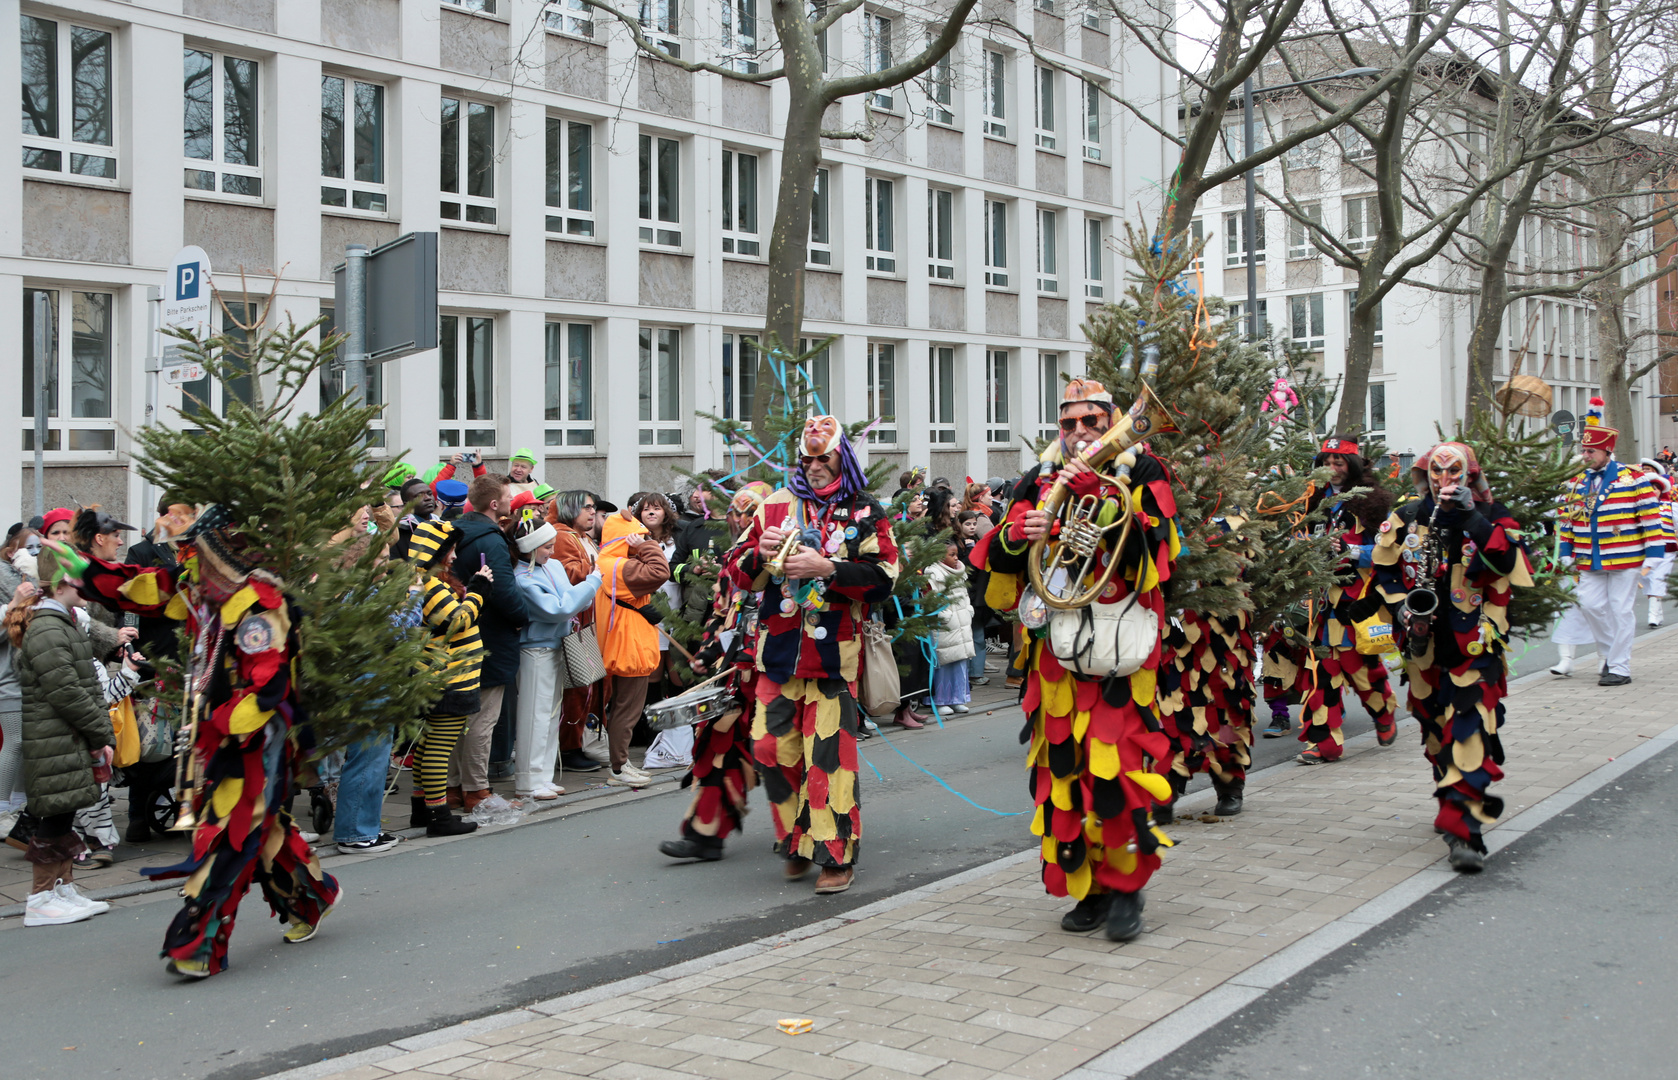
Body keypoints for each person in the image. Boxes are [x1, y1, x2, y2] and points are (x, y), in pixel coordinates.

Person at [74, 509, 342, 975]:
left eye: (190, 551)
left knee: (227, 834)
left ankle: (197, 943)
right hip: (212, 736)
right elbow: (141, 588)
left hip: (250, 743)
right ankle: (312, 896)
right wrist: (76, 563)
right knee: (263, 830)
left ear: (220, 553)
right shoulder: (203, 592)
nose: (182, 561)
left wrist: (223, 726)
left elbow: (269, 685)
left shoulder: (257, 603)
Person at [976, 378, 1179, 941]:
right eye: (1069, 424)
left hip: (1118, 649)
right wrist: (1021, 531)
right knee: (1060, 772)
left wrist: (1110, 501)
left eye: (1093, 421)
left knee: (1115, 771)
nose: (1081, 433)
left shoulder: (1144, 472)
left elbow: (1159, 556)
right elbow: (992, 556)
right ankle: (1086, 886)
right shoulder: (1039, 479)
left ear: (1114, 420)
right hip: (1054, 658)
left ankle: (1125, 888)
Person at [729, 414, 900, 895]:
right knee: (768, 748)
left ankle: (833, 855)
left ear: (841, 456)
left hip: (832, 660)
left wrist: (830, 567)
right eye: (808, 459)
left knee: (828, 758)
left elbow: (885, 577)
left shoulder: (863, 510)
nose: (815, 466)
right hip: (777, 655)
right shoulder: (776, 506)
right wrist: (757, 556)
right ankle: (795, 837)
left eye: (824, 458)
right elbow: (739, 575)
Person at [1373, 442, 1534, 872]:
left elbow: (1508, 562)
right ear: (1425, 475)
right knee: (1433, 730)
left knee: (1469, 731)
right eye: (1437, 473)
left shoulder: (1493, 516)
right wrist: (1402, 607)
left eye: (1455, 473)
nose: (1445, 481)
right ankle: (1450, 795)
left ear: (1470, 476)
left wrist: (1470, 517)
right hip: (1421, 645)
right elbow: (1382, 570)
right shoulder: (1407, 516)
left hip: (1475, 645)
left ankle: (1465, 831)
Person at [657, 486, 767, 864]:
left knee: (785, 753)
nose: (737, 521)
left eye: (747, 514)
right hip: (735, 678)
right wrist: (708, 651)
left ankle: (804, 829)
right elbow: (722, 616)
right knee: (719, 749)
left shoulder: (783, 557)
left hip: (776, 676)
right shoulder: (733, 560)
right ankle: (705, 835)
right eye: (735, 513)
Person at [9, 544, 114, 926]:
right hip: (57, 738)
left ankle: (61, 887)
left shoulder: (62, 622)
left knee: (65, 812)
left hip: (65, 737)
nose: (87, 585)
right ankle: (40, 899)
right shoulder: (48, 628)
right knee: (53, 818)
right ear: (60, 583)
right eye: (79, 578)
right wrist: (102, 735)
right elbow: (67, 691)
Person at [1550, 399, 1665, 685]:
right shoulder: (1574, 483)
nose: (1585, 455)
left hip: (1625, 557)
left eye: (1590, 451)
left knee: (1620, 609)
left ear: (1607, 451)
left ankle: (1619, 668)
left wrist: (1654, 555)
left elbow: (1651, 519)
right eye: (1583, 450)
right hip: (1589, 558)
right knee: (1589, 605)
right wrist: (1566, 552)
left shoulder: (1634, 479)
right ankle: (1608, 652)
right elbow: (1566, 521)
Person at [445, 474, 529, 809]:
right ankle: (477, 790)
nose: (512, 500)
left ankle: (450, 788)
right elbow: (505, 592)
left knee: (455, 719)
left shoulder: (458, 531)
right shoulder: (491, 541)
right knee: (482, 719)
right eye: (508, 496)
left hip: (458, 635)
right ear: (495, 505)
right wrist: (522, 618)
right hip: (489, 636)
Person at [405, 521, 492, 837]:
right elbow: (456, 621)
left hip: (445, 675)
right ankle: (439, 816)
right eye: (450, 549)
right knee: (439, 750)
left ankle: (421, 809)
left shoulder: (430, 582)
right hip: (448, 679)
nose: (454, 556)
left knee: (429, 746)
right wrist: (480, 590)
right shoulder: (430, 584)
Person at [512, 512, 601, 800]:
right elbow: (560, 608)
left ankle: (543, 775)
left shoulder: (551, 567)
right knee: (534, 714)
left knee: (551, 714)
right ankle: (528, 778)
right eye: (547, 547)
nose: (552, 552)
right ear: (529, 547)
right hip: (535, 648)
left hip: (555, 645)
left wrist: (580, 593)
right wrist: (591, 584)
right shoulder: (523, 578)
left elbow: (570, 602)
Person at [595, 505, 672, 786]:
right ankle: (618, 768)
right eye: (636, 536)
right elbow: (660, 571)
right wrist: (647, 545)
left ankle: (622, 762)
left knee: (622, 709)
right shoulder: (621, 566)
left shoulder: (607, 561)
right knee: (627, 711)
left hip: (623, 644)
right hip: (630, 648)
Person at [549, 491, 605, 776]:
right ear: (570, 509)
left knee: (586, 686)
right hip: (574, 624)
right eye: (587, 507)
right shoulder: (561, 536)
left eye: (594, 508)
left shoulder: (584, 537)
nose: (592, 512)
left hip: (588, 621)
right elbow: (568, 574)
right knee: (576, 688)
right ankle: (568, 747)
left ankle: (578, 743)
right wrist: (598, 568)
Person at [926, 541, 974, 715]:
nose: (955, 558)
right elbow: (931, 597)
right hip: (945, 624)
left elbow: (964, 594)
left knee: (960, 659)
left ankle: (958, 698)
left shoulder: (959, 571)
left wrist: (968, 610)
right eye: (951, 555)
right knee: (944, 659)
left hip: (961, 620)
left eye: (956, 554)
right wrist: (942, 615)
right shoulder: (933, 573)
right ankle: (940, 699)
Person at [1636, 462, 1675, 627]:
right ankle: (1657, 613)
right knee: (1647, 577)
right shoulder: (1637, 508)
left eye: (1656, 488)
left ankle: (1653, 616)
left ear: (1660, 491)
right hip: (1645, 549)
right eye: (1649, 488)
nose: (1653, 491)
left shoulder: (1671, 507)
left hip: (1666, 550)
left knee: (1658, 579)